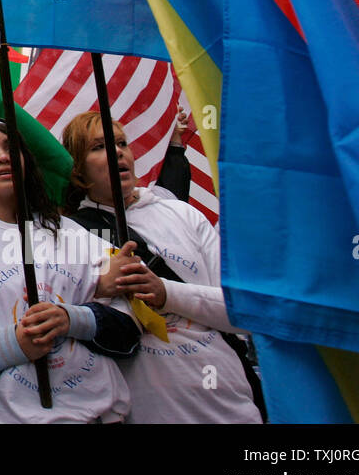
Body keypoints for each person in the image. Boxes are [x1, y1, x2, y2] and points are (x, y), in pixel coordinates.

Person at [61, 111, 264, 423]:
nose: (117, 152)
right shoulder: (69, 236)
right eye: (98, 147)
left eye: (121, 143)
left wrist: (165, 292)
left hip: (230, 405)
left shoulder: (182, 214)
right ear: (77, 169)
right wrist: (100, 287)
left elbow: (242, 312)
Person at [0, 119, 140, 423]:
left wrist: (72, 319)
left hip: (100, 415)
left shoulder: (70, 233)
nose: (3, 157)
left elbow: (130, 335)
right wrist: (14, 344)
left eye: (11, 148)